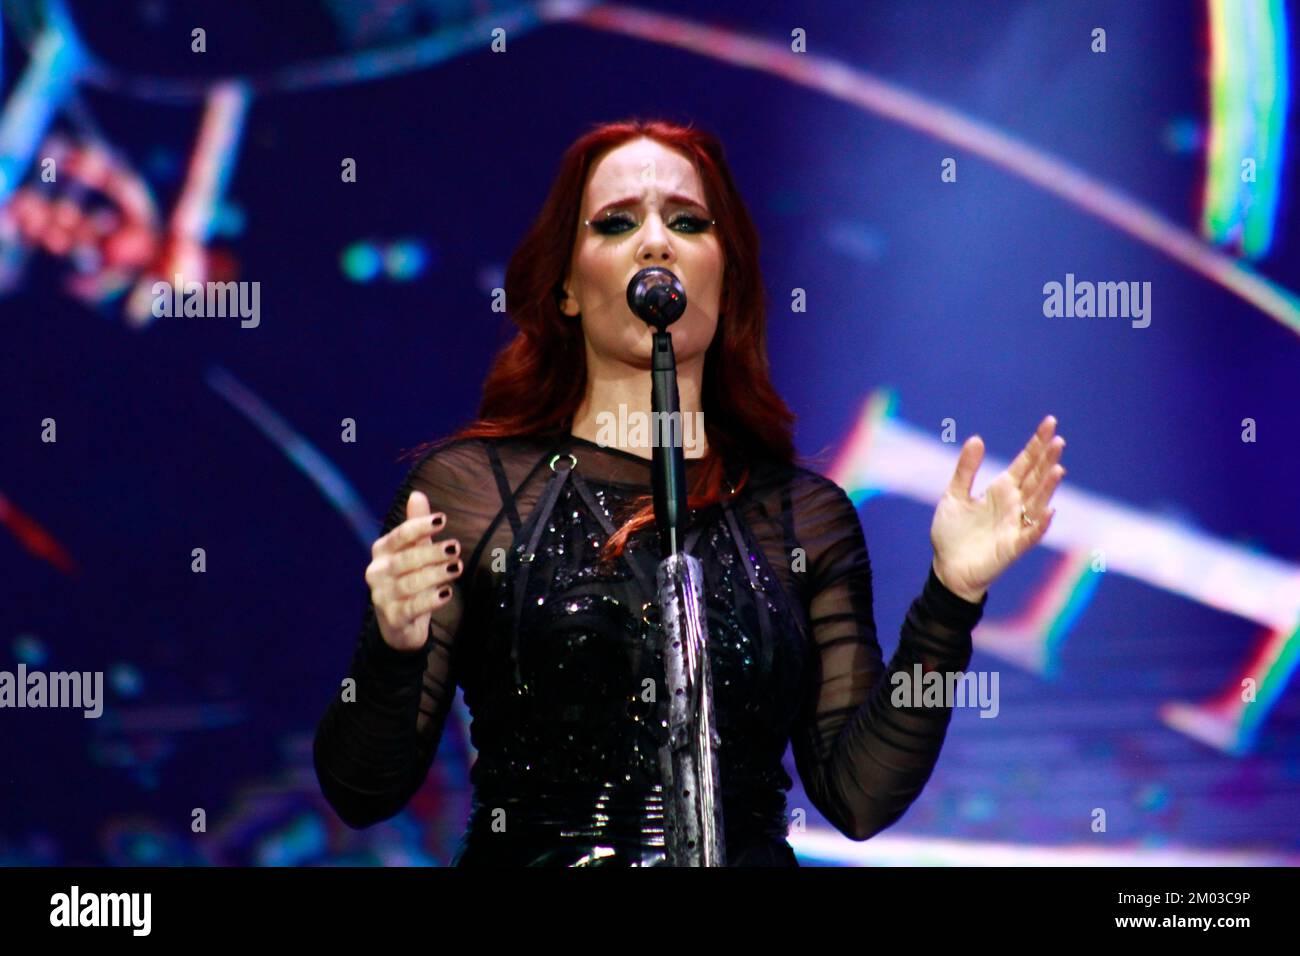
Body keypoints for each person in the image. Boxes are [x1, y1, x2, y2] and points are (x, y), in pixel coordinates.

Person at [312, 118, 1066, 867]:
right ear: (567, 288)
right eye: (615, 223)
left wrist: (950, 602)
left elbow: (860, 798)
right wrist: (394, 646)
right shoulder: (472, 492)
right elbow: (362, 790)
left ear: (725, 271)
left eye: (685, 220)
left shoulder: (803, 517)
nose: (654, 242)